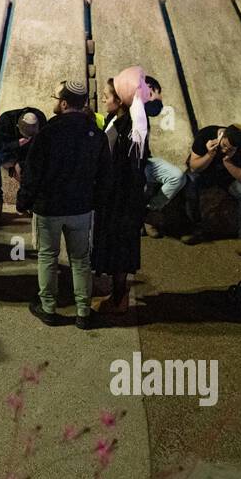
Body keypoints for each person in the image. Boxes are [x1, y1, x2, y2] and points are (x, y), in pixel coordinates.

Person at [17, 79, 112, 329]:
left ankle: (48, 307)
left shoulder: (48, 133)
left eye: (57, 100)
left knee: (48, 255)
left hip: (49, 207)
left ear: (65, 102)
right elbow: (104, 175)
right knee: (81, 259)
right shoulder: (96, 134)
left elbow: (33, 172)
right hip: (81, 208)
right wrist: (97, 203)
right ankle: (83, 311)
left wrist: (23, 201)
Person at [93, 70, 150, 315]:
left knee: (120, 248)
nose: (103, 100)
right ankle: (116, 295)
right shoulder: (114, 121)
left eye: (107, 96)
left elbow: (128, 167)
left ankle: (119, 298)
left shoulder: (130, 127)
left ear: (119, 100)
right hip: (113, 197)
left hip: (123, 200)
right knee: (114, 247)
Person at [182, 123, 241, 256]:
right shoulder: (206, 134)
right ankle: (194, 228)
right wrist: (209, 155)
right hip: (204, 172)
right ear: (222, 135)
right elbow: (194, 166)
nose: (224, 151)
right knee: (190, 183)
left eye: (230, 149)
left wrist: (228, 162)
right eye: (224, 146)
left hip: (229, 178)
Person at [140, 76, 186, 238]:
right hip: (129, 164)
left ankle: (150, 213)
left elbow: (153, 111)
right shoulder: (134, 106)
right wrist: (154, 98)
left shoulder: (143, 108)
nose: (160, 98)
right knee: (141, 184)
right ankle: (136, 220)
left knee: (177, 176)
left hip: (146, 161)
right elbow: (153, 109)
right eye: (158, 93)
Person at [0, 106, 46, 219]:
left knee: (29, 170)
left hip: (26, 156)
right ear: (17, 127)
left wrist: (20, 164)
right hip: (7, 151)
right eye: (26, 136)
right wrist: (16, 144)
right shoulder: (6, 120)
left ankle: (27, 203)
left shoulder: (40, 119)